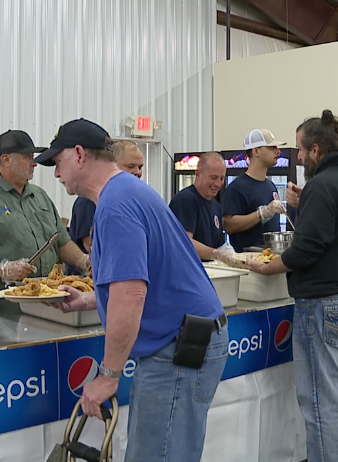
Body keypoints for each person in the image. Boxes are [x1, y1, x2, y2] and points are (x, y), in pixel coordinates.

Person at [36, 118, 227, 462]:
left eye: (58, 162)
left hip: (178, 348)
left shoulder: (116, 204)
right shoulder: (125, 193)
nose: (55, 173)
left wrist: (107, 376)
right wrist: (90, 300)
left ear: (79, 154)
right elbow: (141, 281)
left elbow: (132, 295)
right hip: (183, 340)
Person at [246, 110, 338, 462]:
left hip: (323, 302)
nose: (297, 158)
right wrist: (307, 205)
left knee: (320, 400)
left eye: (301, 151)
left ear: (316, 150)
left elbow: (307, 248)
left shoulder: (323, 184)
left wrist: (269, 267)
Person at [0, 129, 88, 311]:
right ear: (6, 160)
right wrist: (3, 269)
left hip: (49, 306)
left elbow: (60, 242)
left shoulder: (40, 196)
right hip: (3, 310)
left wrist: (83, 261)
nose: (34, 163)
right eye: (27, 157)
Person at [68, 140, 144, 257]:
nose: (138, 172)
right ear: (112, 165)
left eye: (140, 167)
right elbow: (92, 246)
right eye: (131, 166)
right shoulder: (89, 200)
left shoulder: (127, 200)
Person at [222, 128, 287, 251]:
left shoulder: (271, 186)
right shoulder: (236, 188)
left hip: (271, 256)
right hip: (248, 259)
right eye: (272, 148)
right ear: (256, 151)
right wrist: (261, 213)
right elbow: (228, 225)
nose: (278, 152)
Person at [168, 151, 234, 262]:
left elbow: (220, 244)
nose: (218, 184)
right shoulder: (185, 201)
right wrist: (216, 254)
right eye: (213, 178)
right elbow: (184, 241)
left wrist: (232, 255)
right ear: (198, 174)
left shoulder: (216, 207)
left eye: (221, 178)